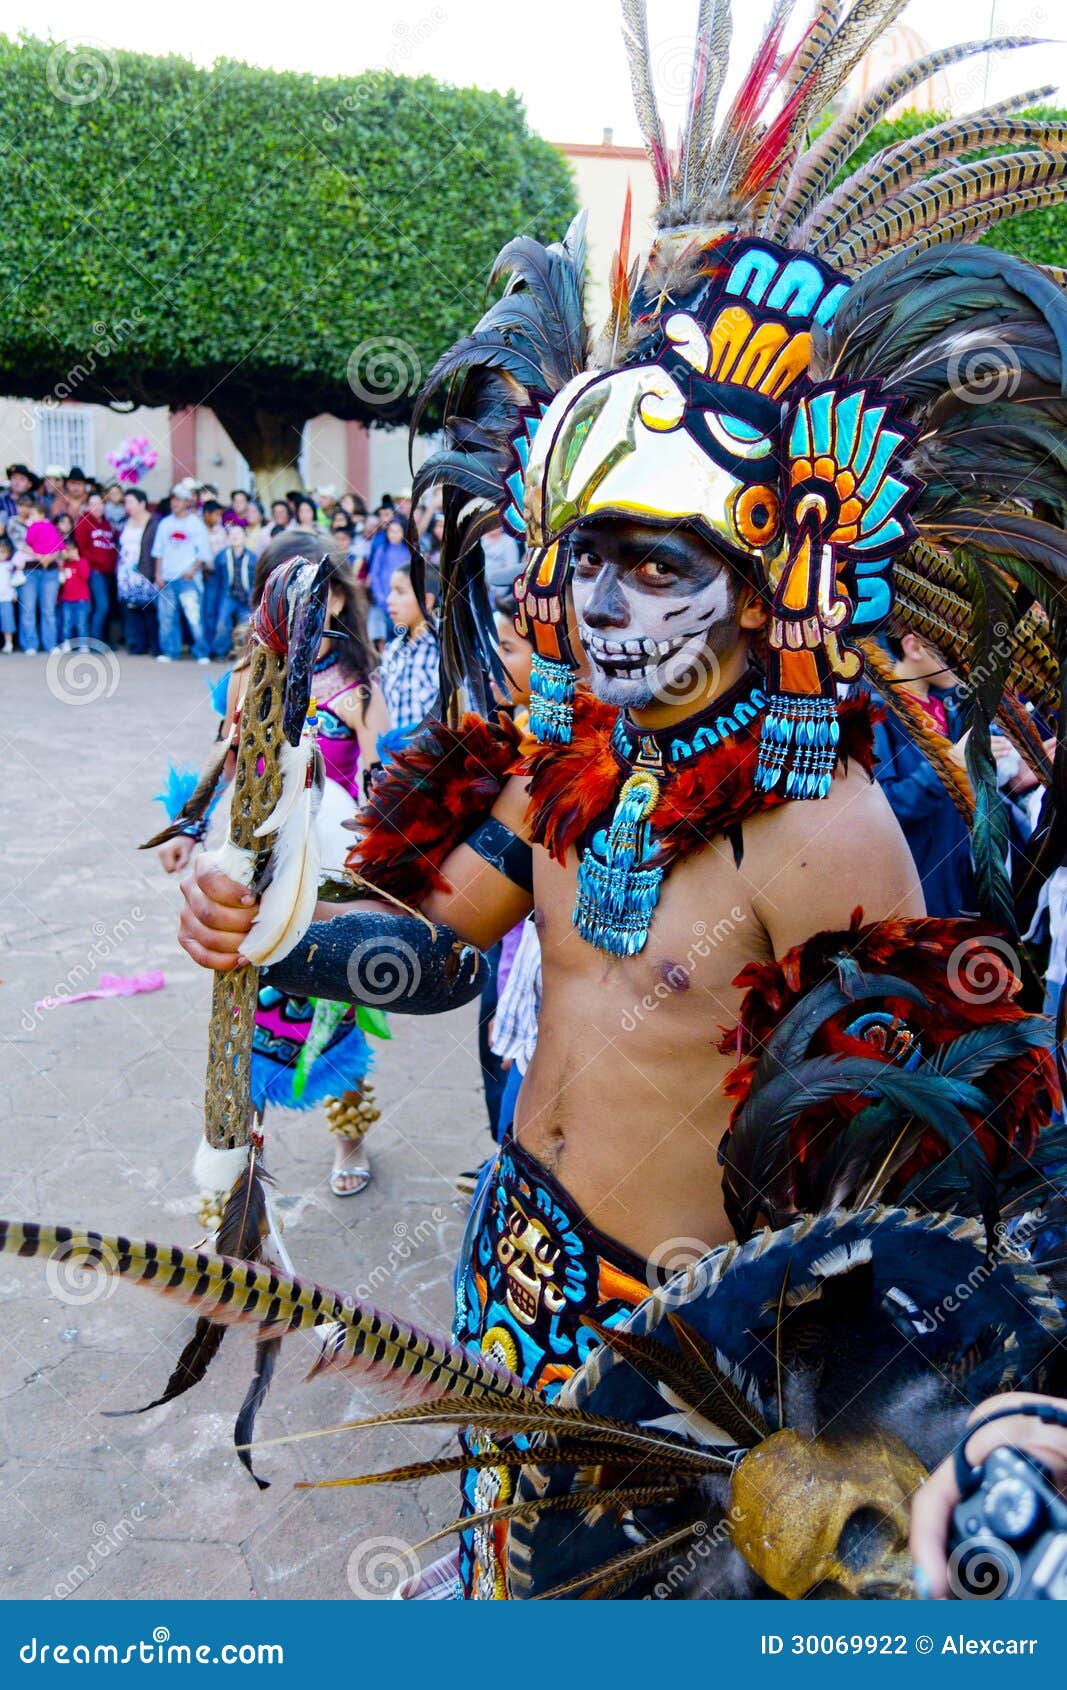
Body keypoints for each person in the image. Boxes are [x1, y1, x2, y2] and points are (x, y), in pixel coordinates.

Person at [160, 537, 390, 1198]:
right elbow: (223, 761)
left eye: (308, 592)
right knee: (246, 1009)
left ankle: (349, 1138)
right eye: (274, 591)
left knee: (340, 1007)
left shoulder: (356, 685)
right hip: (254, 874)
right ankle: (237, 1161)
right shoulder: (244, 676)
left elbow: (386, 786)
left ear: (337, 598)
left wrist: (385, 869)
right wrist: (187, 825)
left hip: (333, 878)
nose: (291, 608)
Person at [151, 484, 211, 662]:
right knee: (167, 618)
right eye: (173, 499)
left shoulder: (196, 524)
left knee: (194, 617)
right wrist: (158, 575)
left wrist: (192, 571)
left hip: (188, 578)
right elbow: (158, 552)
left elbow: (204, 552)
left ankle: (201, 652)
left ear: (187, 502)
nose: (175, 503)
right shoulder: (165, 524)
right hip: (167, 577)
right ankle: (170, 651)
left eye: (179, 499)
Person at [380, 559, 440, 732]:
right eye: (391, 591)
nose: (390, 599)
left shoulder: (444, 652)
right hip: (395, 757)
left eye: (400, 592)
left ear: (427, 601)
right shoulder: (392, 650)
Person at [116, 488, 159, 655]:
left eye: (130, 502)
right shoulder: (125, 522)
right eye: (126, 502)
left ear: (142, 503)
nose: (127, 506)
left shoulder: (154, 522)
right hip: (126, 572)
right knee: (132, 608)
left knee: (149, 609)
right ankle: (138, 643)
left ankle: (154, 645)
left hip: (145, 570)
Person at [74, 490, 119, 645]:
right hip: (95, 571)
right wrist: (98, 562)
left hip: (109, 572)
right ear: (87, 506)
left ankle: (103, 639)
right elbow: (82, 548)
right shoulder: (84, 522)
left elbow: (112, 548)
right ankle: (94, 642)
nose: (97, 507)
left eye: (100, 504)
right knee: (102, 606)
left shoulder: (107, 524)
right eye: (93, 504)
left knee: (107, 607)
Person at [208, 521, 256, 658]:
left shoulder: (253, 558)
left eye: (238, 533)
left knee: (247, 624)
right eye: (232, 533)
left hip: (247, 596)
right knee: (222, 622)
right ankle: (220, 652)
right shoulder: (221, 557)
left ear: (245, 538)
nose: (235, 536)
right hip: (228, 595)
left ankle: (244, 654)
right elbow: (216, 580)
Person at [16, 517, 63, 654]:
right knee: (27, 609)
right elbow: (21, 545)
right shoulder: (23, 527)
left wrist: (50, 557)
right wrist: (40, 556)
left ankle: (50, 644)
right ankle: (30, 644)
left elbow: (59, 546)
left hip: (50, 571)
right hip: (30, 570)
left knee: (48, 610)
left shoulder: (51, 528)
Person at [366, 513, 409, 648]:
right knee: (383, 634)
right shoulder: (382, 550)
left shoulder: (408, 551)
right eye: (391, 531)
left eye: (397, 531)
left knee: (401, 634)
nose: (394, 534)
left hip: (402, 600)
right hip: (383, 599)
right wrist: (380, 596)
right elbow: (375, 574)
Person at [57, 537, 91, 650]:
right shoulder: (64, 565)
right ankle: (67, 643)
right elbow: (61, 582)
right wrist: (61, 565)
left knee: (81, 623)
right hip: (66, 599)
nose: (70, 553)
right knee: (66, 624)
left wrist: (77, 559)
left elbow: (85, 576)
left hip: (81, 599)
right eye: (67, 550)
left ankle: (83, 644)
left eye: (72, 549)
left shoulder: (82, 562)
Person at [0, 532, 18, 652]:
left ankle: (9, 643)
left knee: (7, 621)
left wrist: (14, 593)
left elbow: (15, 581)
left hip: (6, 598)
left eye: (3, 552)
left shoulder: (10, 566)